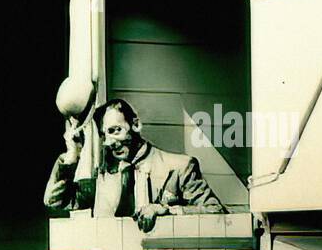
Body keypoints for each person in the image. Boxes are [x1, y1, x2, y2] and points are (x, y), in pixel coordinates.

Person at [44, 98, 226, 231]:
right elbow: (54, 201)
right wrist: (72, 155)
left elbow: (216, 212)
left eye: (115, 131)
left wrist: (166, 210)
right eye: (104, 135)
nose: (108, 142)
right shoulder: (103, 177)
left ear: (136, 125)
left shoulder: (180, 167)